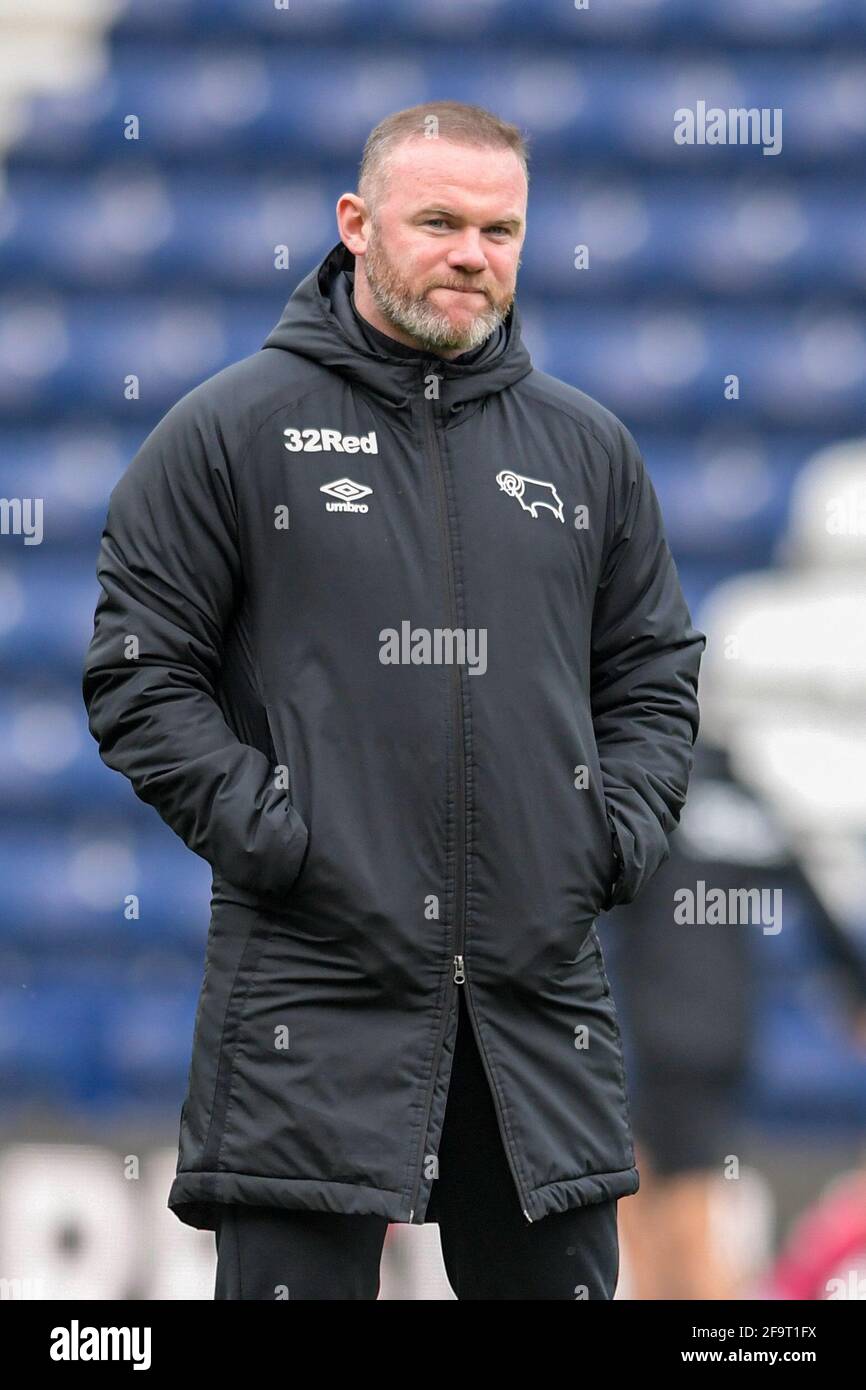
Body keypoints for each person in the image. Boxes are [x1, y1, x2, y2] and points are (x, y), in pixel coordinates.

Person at [81, 100, 706, 1299]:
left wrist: (603, 839)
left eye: (501, 228)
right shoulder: (227, 431)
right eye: (439, 221)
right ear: (355, 224)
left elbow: (652, 674)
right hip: (309, 993)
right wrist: (283, 838)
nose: (474, 254)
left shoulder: (587, 451)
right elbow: (135, 672)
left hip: (536, 1002)